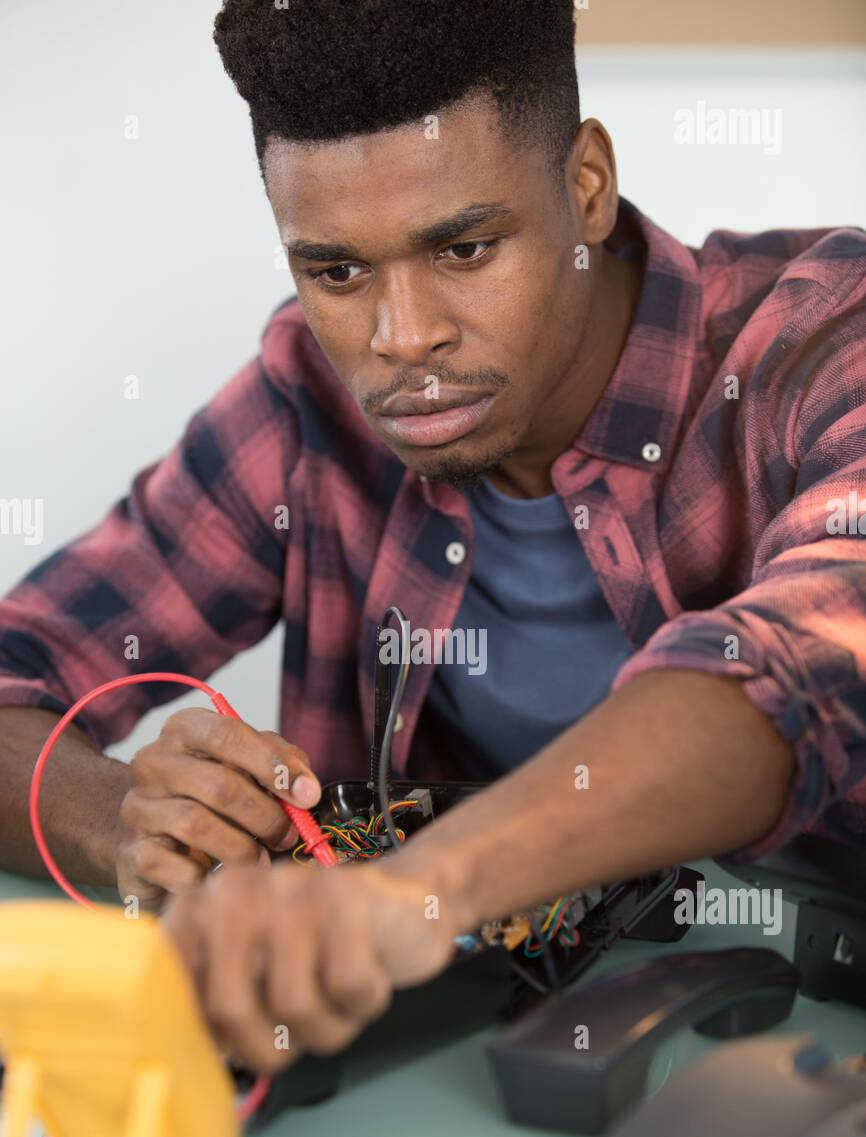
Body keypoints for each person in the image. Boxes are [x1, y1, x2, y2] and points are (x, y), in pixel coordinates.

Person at [0, 0, 863, 1074]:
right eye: (336, 273)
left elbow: (791, 675)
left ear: (584, 185)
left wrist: (403, 892)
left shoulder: (826, 338)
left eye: (463, 248)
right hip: (459, 1084)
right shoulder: (305, 402)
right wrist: (119, 822)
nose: (402, 341)